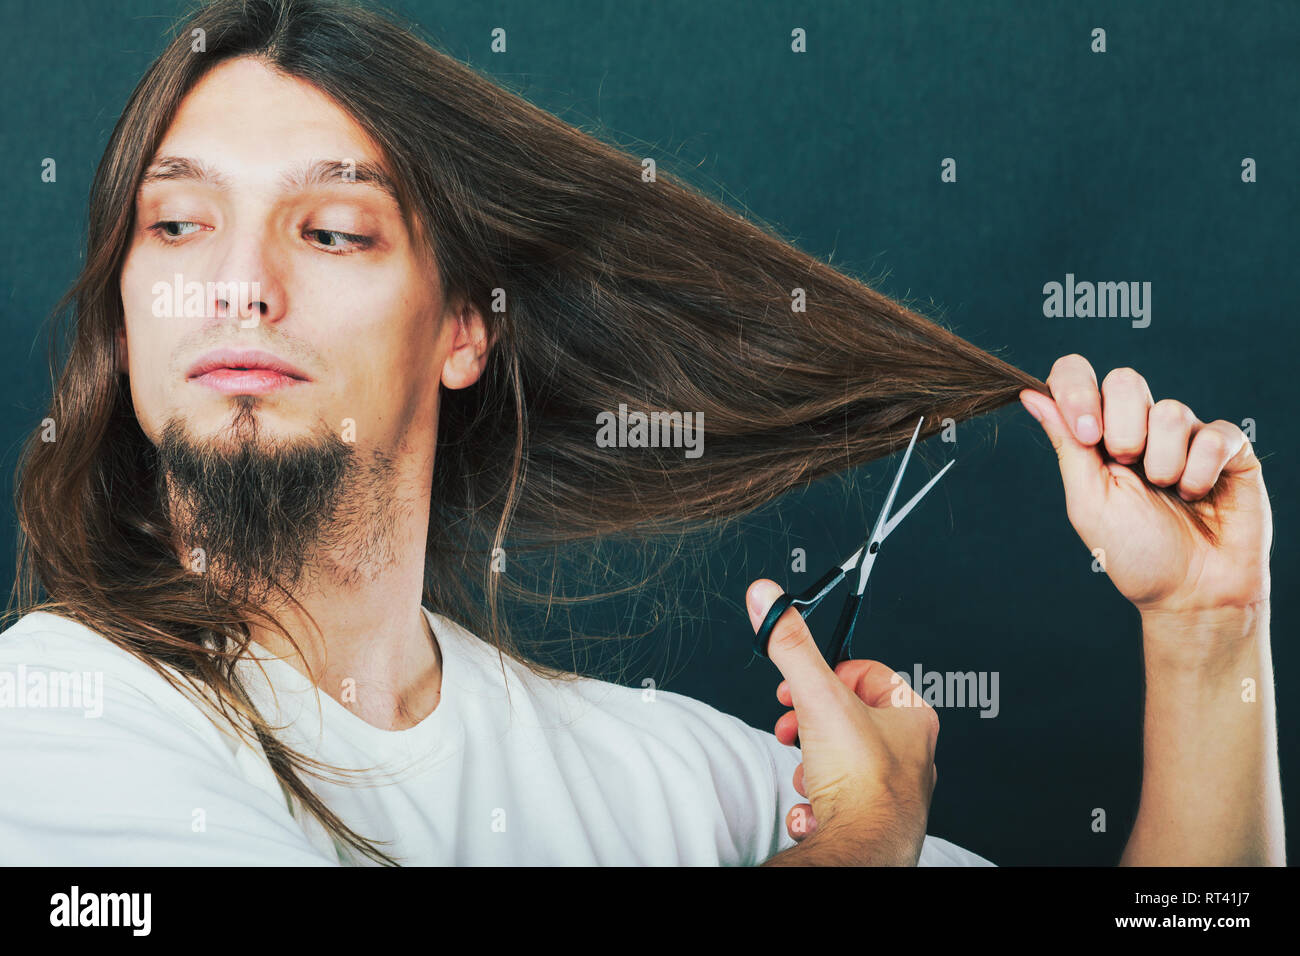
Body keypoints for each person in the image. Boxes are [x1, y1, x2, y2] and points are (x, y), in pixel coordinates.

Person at [0, 0, 1281, 866]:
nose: (238, 284)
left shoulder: (673, 780)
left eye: (331, 231)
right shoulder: (50, 724)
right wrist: (857, 841)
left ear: (463, 327)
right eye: (176, 226)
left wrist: (1206, 633)